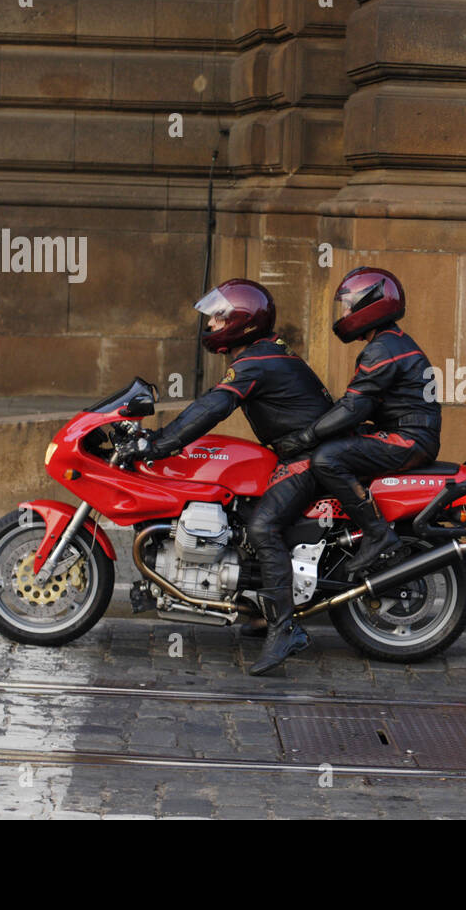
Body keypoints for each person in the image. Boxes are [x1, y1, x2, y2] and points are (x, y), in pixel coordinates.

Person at [134, 278, 333, 672]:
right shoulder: (262, 354)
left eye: (216, 318)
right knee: (243, 517)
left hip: (310, 458)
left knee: (263, 526)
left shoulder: (256, 362)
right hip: (305, 453)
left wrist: (159, 444)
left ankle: (284, 628)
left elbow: (212, 407)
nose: (208, 325)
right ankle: (259, 605)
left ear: (241, 321)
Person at [272, 266, 441, 595]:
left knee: (326, 459)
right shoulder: (391, 342)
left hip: (407, 439)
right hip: (408, 434)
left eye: (350, 305)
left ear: (373, 305)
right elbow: (358, 406)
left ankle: (377, 533)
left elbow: (353, 407)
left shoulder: (382, 350)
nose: (345, 313)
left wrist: (306, 436)